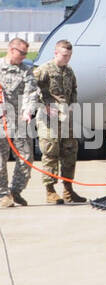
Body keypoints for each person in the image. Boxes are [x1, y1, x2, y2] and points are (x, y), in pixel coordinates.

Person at [32, 40, 84, 204]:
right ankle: (50, 191)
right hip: (49, 119)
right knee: (50, 152)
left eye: (69, 55)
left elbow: (74, 89)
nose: (67, 58)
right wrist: (44, 106)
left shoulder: (69, 72)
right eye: (64, 55)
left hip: (66, 119)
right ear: (55, 53)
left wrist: (73, 106)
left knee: (70, 152)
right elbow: (32, 90)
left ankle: (68, 190)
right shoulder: (44, 70)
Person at [0, 38, 39, 208]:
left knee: (26, 157)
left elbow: (32, 92)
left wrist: (28, 111)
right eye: (21, 52)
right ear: (11, 49)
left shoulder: (26, 70)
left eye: (25, 53)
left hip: (20, 121)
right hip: (1, 121)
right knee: (0, 160)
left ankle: (15, 190)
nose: (24, 56)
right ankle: (3, 194)